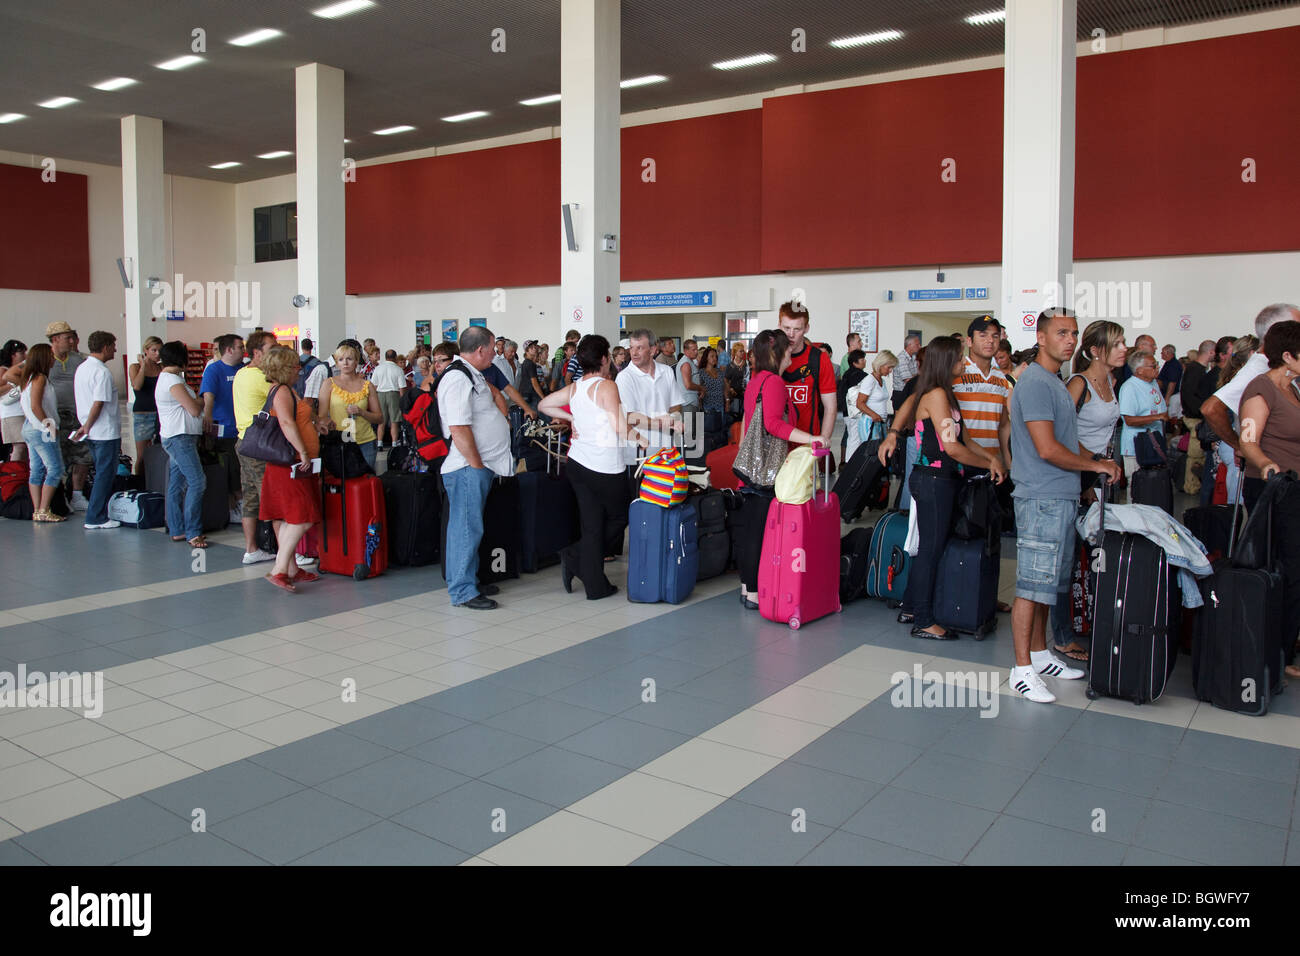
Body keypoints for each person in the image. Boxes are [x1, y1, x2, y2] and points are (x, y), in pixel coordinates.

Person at [1007, 309, 1120, 704]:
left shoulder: (1055, 382)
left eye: (1073, 333)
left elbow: (1068, 443)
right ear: (1041, 337)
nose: (1070, 340)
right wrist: (1094, 464)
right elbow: (1048, 448)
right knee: (1030, 586)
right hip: (1041, 496)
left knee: (1049, 586)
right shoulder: (1037, 383)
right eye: (1060, 333)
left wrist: (1098, 463)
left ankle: (1039, 655)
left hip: (1061, 494)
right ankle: (1021, 670)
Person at [902, 337, 1006, 639]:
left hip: (945, 480)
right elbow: (952, 448)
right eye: (960, 359)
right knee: (930, 550)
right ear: (947, 362)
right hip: (933, 480)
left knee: (935, 546)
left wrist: (992, 457)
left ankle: (915, 605)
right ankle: (922, 618)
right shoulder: (935, 395)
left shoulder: (948, 395)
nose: (964, 363)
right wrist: (986, 465)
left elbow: (966, 440)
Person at [541, 335, 647, 600]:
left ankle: (593, 581)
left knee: (592, 525)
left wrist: (571, 417)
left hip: (578, 464)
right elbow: (619, 426)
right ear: (603, 359)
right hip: (604, 467)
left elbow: (544, 405)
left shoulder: (575, 387)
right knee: (620, 516)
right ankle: (578, 558)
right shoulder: (606, 386)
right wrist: (641, 440)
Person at [1054, 320, 1128, 662]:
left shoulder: (1111, 382)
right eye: (1118, 344)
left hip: (1098, 478)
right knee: (1065, 560)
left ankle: (1090, 621)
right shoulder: (1078, 384)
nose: (1124, 349)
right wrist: (1093, 464)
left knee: (1095, 555)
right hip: (1076, 478)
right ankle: (1062, 635)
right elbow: (1062, 435)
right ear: (1096, 351)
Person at [733, 329, 819, 609]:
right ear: (777, 353)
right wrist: (811, 438)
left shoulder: (756, 380)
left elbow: (750, 422)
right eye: (787, 348)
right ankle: (755, 592)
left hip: (752, 466)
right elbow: (773, 424)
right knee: (759, 530)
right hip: (765, 469)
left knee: (750, 529)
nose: (791, 353)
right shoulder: (774, 383)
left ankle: (748, 588)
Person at [1235, 319, 1300, 679]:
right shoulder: (1260, 390)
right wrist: (1267, 464)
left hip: (1294, 489)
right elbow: (1248, 441)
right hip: (1274, 490)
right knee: (1286, 569)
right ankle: (1279, 651)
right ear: (1287, 356)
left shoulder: (1294, 388)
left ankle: (1287, 642)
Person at [439, 326, 513, 610]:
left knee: (474, 528)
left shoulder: (473, 374)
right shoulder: (457, 378)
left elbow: (496, 396)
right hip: (467, 468)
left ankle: (469, 579)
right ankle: (462, 591)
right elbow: (458, 427)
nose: (496, 353)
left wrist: (502, 417)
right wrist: (477, 464)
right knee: (466, 528)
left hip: (478, 466)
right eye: (494, 348)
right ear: (481, 349)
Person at [1201, 304, 1300, 510]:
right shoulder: (1259, 378)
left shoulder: (1290, 386)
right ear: (1287, 354)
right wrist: (1243, 448)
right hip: (1274, 484)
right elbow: (1211, 409)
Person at [257, 346, 323, 593]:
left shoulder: (286, 390)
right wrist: (303, 452)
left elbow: (297, 419)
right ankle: (279, 570)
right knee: (302, 517)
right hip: (291, 463)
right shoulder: (283, 391)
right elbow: (286, 423)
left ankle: (290, 569)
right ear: (285, 369)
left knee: (289, 518)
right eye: (295, 365)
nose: (300, 369)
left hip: (288, 464)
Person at [616, 328, 684, 497]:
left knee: (666, 503)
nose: (634, 352)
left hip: (666, 452)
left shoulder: (666, 372)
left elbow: (675, 406)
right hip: (638, 455)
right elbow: (629, 417)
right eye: (632, 348)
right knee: (641, 507)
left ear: (653, 350)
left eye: (640, 347)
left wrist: (674, 419)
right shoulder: (625, 377)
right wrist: (662, 422)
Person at [156, 340, 207, 548]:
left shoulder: (169, 378)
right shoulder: (172, 381)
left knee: (176, 484)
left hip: (177, 436)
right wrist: (202, 401)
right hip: (180, 438)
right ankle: (193, 531)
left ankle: (177, 529)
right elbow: (194, 409)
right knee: (197, 481)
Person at [233, 330, 278, 564]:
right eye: (272, 348)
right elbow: (285, 402)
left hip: (243, 442)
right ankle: (290, 554)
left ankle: (251, 549)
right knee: (271, 497)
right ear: (257, 352)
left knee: (251, 496)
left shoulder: (241, 373)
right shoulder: (262, 378)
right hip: (260, 446)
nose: (277, 351)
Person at [71, 330, 122, 530]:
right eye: (113, 346)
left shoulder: (82, 368)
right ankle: (96, 516)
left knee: (101, 471)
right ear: (105, 347)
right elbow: (98, 403)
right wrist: (88, 425)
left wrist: (85, 426)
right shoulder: (101, 372)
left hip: (91, 431)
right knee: (104, 473)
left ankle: (97, 511)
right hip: (103, 431)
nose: (115, 350)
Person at [777, 301, 837, 451]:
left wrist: (823, 442)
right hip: (773, 446)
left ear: (806, 328)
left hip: (806, 446)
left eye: (797, 329)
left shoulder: (819, 359)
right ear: (779, 325)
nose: (790, 334)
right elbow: (753, 403)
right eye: (786, 328)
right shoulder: (768, 358)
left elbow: (830, 407)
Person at [43, 322, 90, 511]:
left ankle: (77, 495)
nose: (72, 341)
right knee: (57, 459)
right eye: (67, 338)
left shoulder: (78, 359)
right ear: (55, 340)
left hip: (77, 416)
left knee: (83, 456)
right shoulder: (43, 359)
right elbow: (14, 375)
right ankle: (60, 497)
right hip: (55, 418)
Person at [18, 344, 65, 521]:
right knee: (55, 468)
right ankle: (44, 509)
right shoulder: (40, 378)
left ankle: (38, 510)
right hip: (40, 429)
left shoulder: (28, 378)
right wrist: (49, 426)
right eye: (51, 356)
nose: (53, 359)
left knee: (36, 469)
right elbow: (35, 406)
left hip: (30, 427)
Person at [319, 342, 383, 469]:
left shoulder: (367, 385)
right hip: (339, 441)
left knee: (365, 480)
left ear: (356, 362)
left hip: (365, 441)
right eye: (341, 359)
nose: (345, 363)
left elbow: (379, 418)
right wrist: (327, 422)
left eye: (349, 359)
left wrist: (362, 412)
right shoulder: (329, 384)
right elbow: (321, 416)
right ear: (337, 363)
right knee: (342, 482)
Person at [1118, 350, 1169, 480]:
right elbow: (1129, 420)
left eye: (1157, 364)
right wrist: (1157, 417)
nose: (1157, 367)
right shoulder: (1130, 387)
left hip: (1154, 444)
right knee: (1138, 487)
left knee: (1154, 486)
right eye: (1153, 365)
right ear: (1140, 370)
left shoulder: (1153, 383)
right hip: (1138, 447)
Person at [1180, 338, 1217, 497]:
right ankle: (1191, 486)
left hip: (1194, 416)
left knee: (1198, 455)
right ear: (1211, 352)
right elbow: (1189, 395)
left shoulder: (1196, 369)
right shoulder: (1196, 370)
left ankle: (1193, 485)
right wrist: (1201, 411)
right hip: (1195, 418)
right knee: (1195, 455)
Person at [845, 351, 895, 463]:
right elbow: (860, 403)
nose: (890, 370)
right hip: (870, 423)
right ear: (881, 364)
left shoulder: (881, 381)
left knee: (879, 454)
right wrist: (875, 416)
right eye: (889, 367)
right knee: (871, 455)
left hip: (879, 422)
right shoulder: (869, 380)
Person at [128, 336, 163, 458]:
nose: (157, 354)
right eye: (154, 350)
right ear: (146, 350)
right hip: (143, 415)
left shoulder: (161, 368)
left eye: (160, 351)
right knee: (142, 456)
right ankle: (140, 477)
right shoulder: (135, 367)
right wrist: (143, 366)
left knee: (159, 452)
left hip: (160, 413)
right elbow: (137, 386)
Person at [371, 349, 407, 450]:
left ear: (385, 357)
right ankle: (394, 443)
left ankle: (379, 443)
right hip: (393, 394)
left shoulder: (378, 368)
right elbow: (402, 388)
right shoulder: (398, 369)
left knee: (381, 421)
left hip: (380, 394)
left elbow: (374, 385)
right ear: (395, 358)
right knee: (394, 421)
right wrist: (403, 400)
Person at [1, 339, 28, 462]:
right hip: (11, 413)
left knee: (25, 447)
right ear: (13, 355)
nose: (25, 356)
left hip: (22, 412)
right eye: (22, 353)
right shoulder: (4, 370)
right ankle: (15, 475)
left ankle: (22, 474)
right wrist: (14, 384)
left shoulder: (19, 370)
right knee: (19, 446)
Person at [696, 345, 726, 453]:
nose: (714, 358)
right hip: (708, 406)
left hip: (720, 404)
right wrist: (700, 404)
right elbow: (699, 389)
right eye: (712, 356)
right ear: (706, 358)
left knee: (721, 429)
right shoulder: (701, 372)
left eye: (715, 356)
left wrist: (727, 401)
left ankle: (719, 451)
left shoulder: (720, 372)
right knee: (709, 430)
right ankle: (708, 452)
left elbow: (724, 388)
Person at [891, 333, 920, 411]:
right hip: (901, 394)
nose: (919, 346)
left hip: (910, 392)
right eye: (917, 344)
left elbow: (917, 376)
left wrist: (915, 376)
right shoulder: (901, 359)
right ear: (909, 345)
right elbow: (908, 380)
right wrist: (916, 376)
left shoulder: (914, 357)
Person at [1157, 343, 1183, 416]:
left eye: (1162, 352)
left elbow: (1172, 382)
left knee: (1170, 417)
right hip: (1165, 395)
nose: (1161, 354)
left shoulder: (1174, 365)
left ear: (1168, 353)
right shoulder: (1168, 363)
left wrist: (1167, 399)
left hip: (1171, 396)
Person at [724, 343, 748, 420]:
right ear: (735, 353)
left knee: (744, 417)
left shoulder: (747, 365)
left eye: (743, 351)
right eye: (740, 351)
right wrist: (730, 389)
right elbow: (726, 380)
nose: (742, 352)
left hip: (745, 395)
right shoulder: (730, 366)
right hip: (733, 396)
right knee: (734, 418)